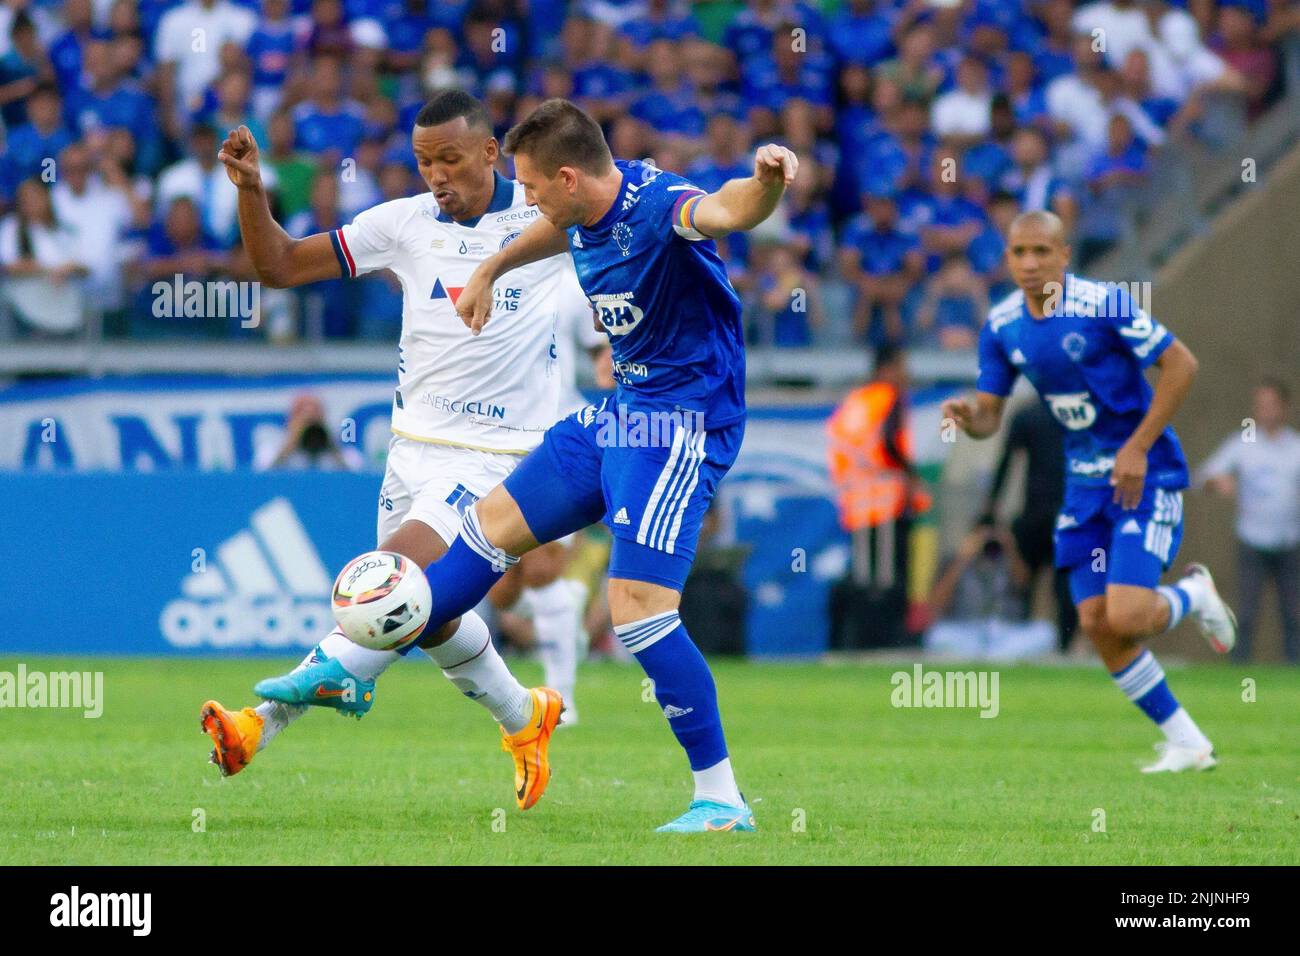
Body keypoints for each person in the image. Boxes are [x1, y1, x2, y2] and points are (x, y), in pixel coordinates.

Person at [256, 97, 797, 832]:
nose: (528, 202)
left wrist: (767, 179)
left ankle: (722, 798)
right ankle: (350, 670)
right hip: (618, 413)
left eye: (535, 189)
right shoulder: (579, 211)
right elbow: (543, 233)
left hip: (677, 424)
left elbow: (727, 212)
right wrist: (491, 269)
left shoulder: (660, 204)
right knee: (484, 531)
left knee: (638, 612)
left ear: (568, 179)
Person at [197, 92, 592, 810]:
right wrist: (253, 193)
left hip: (496, 459)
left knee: (391, 582)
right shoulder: (403, 223)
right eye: (423, 162)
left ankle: (263, 720)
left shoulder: (546, 219)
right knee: (430, 618)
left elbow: (625, 211)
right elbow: (280, 266)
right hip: (411, 451)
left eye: (449, 159)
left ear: (490, 155)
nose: (437, 175)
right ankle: (524, 717)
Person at [942, 209, 1238, 773]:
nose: (1030, 264)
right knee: (1099, 624)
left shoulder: (1104, 305)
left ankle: (1194, 595)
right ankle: (1188, 742)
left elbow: (1181, 365)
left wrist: (1138, 446)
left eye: (1041, 252)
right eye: (1019, 253)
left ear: (1064, 256)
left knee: (1126, 615)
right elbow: (990, 417)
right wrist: (969, 416)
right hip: (1084, 485)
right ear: (1006, 259)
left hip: (1141, 476)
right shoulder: (1003, 325)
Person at [826, 343, 931, 649]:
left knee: (862, 577)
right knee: (884, 580)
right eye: (901, 366)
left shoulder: (855, 401)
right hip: (884, 503)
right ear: (886, 368)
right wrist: (911, 475)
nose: (905, 375)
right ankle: (883, 644)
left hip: (855, 503)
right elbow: (889, 443)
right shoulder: (889, 398)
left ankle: (854, 643)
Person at [1199, 379, 1300, 662]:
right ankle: (1239, 673)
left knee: (1294, 614)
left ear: (1284, 407)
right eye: (1260, 405)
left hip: (1289, 541)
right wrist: (1219, 481)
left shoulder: (1295, 447)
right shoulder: (1242, 443)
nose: (1265, 411)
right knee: (1245, 613)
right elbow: (1203, 476)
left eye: (1271, 404)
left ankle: (1293, 677)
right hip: (1252, 541)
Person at [982, 399, 1078, 650]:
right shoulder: (1075, 414)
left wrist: (991, 506)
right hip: (1066, 514)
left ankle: (1018, 638)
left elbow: (1007, 462)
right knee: (1062, 585)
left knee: (1024, 583)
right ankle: (1062, 644)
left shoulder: (1028, 414)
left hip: (1035, 513)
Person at [253, 393, 365, 471]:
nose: (308, 425)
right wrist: (290, 444)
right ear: (291, 420)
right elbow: (261, 479)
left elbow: (358, 479)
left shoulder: (348, 454)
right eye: (303, 418)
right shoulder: (269, 451)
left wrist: (331, 447)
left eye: (315, 418)